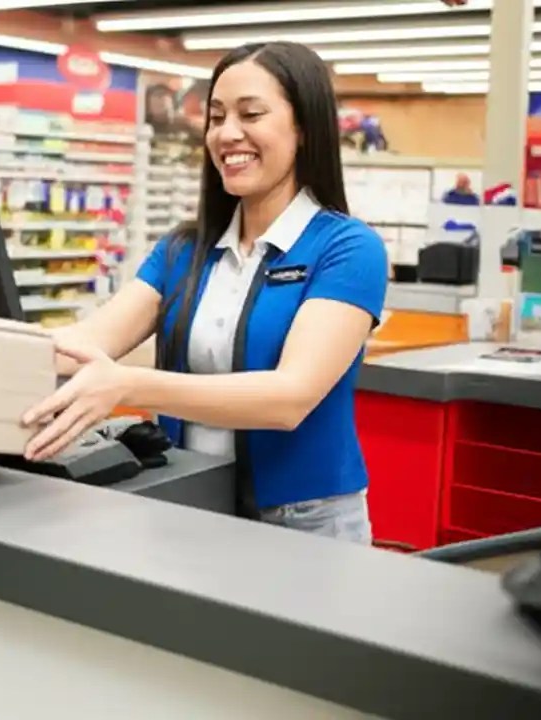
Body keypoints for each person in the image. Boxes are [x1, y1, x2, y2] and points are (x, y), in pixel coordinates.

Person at [22, 41, 388, 544]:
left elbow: (290, 397)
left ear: (303, 127)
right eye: (216, 117)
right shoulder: (184, 249)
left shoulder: (347, 248)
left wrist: (128, 386)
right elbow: (87, 342)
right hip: (189, 505)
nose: (227, 133)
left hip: (303, 523)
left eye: (251, 113)